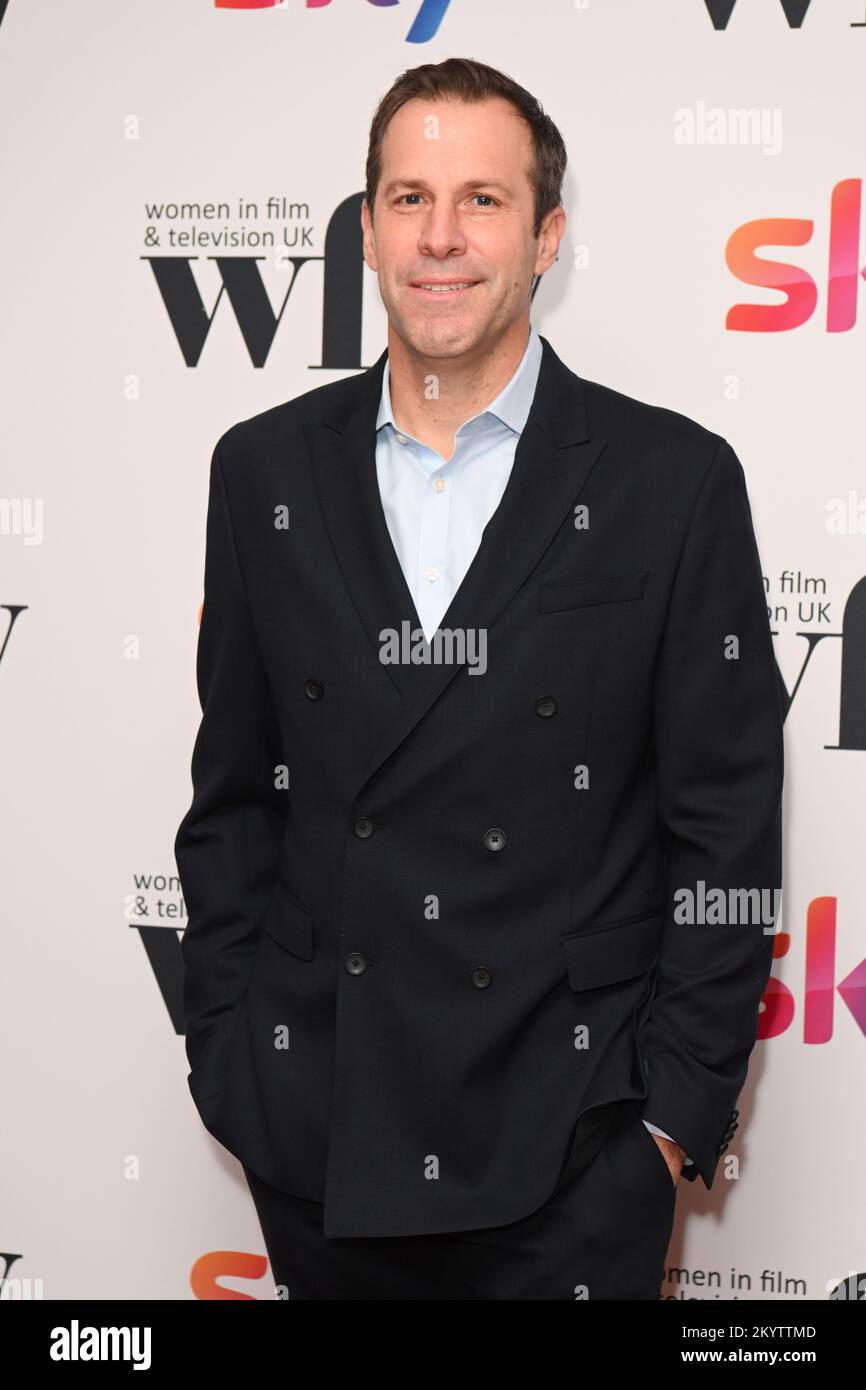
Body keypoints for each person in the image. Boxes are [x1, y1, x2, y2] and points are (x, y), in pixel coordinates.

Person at [174, 57, 783, 1300]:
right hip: (327, 1140)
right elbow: (234, 797)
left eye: (482, 201)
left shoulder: (671, 483)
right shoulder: (262, 474)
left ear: (546, 234)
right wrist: (236, 1062)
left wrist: (667, 1123)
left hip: (574, 1145)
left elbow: (724, 830)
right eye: (407, 199)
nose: (439, 238)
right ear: (364, 232)